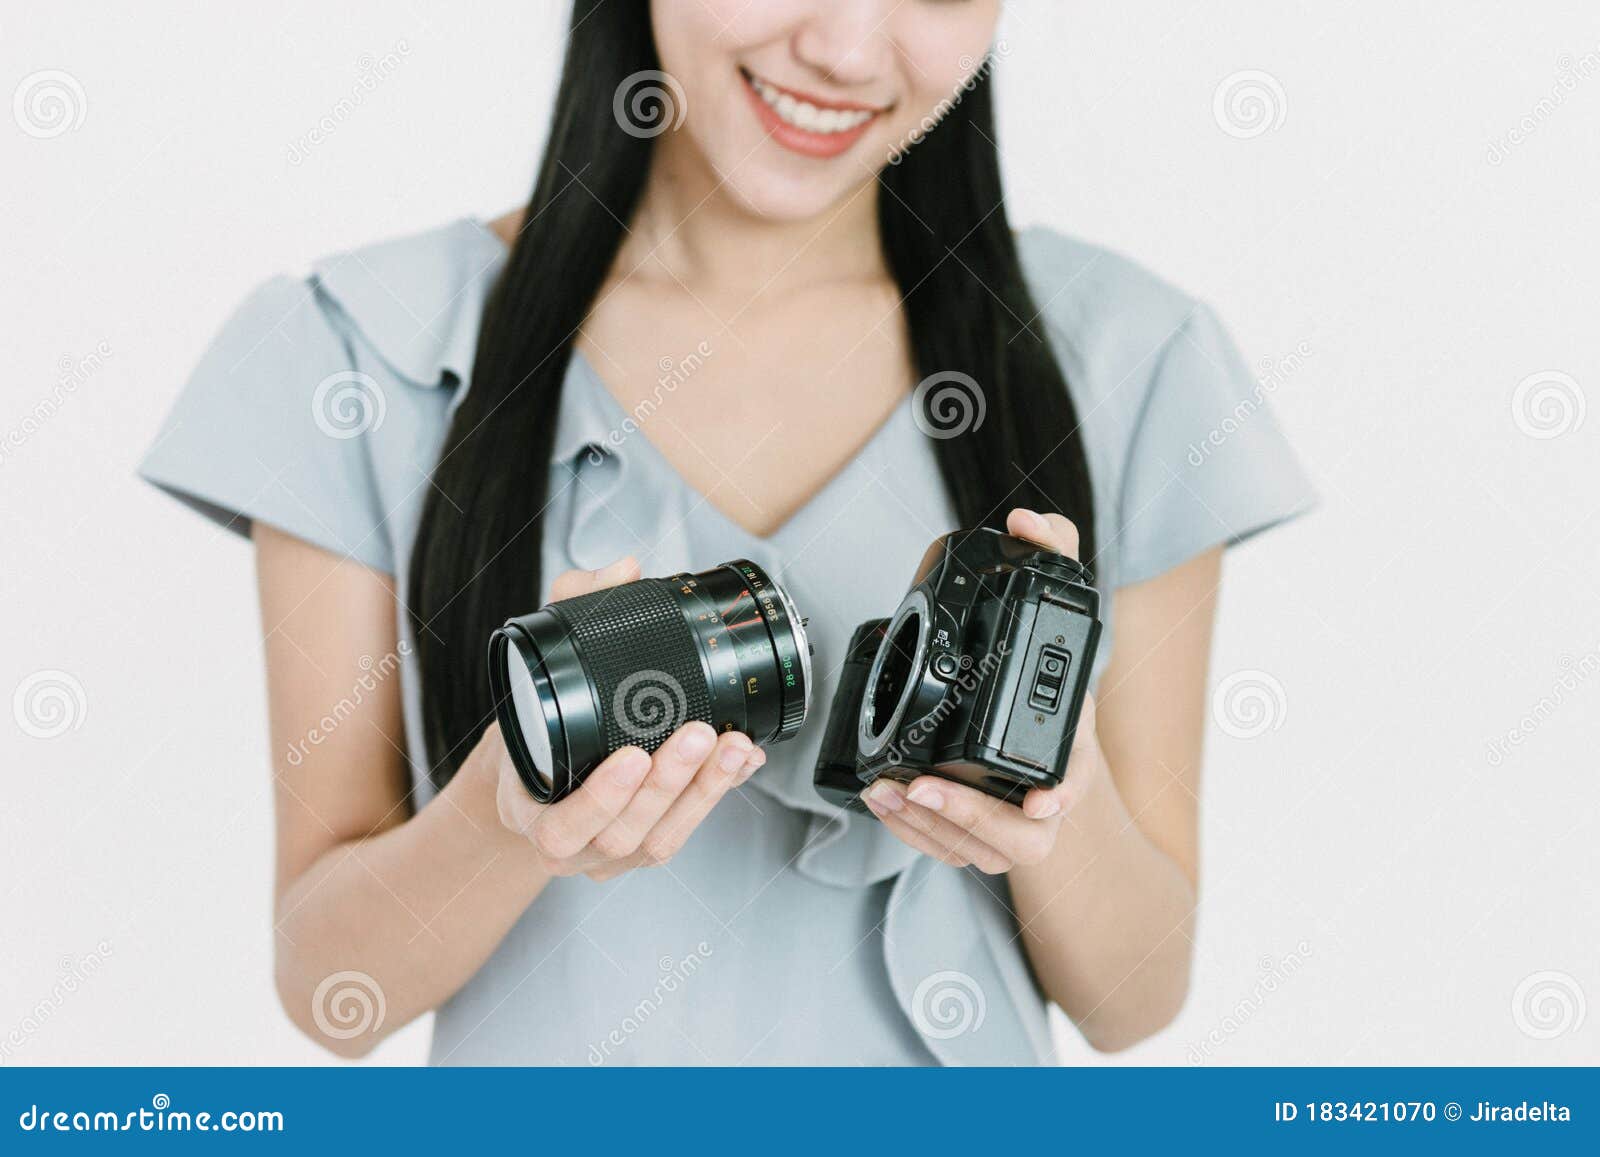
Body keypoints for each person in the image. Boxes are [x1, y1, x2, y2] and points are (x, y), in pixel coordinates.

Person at [140, 0, 1315, 1064]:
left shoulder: (1126, 359)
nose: (848, 50)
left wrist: (1057, 782)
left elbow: (1137, 997)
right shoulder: (363, 350)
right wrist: (503, 818)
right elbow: (330, 988)